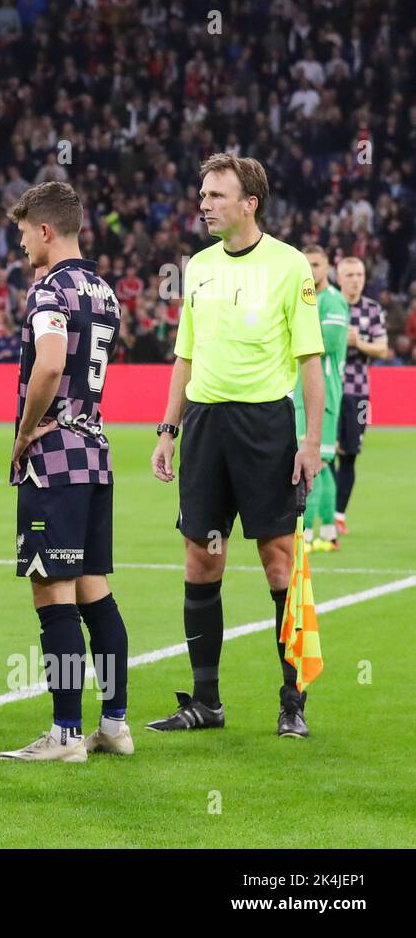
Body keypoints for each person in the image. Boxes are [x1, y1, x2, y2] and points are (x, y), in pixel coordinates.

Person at [148, 154, 324, 739]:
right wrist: (168, 429)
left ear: (250, 203)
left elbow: (310, 363)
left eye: (217, 195)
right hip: (204, 425)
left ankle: (292, 701)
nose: (204, 204)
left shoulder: (289, 265)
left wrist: (311, 441)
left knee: (279, 561)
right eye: (202, 194)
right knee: (202, 558)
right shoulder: (195, 267)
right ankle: (205, 701)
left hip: (265, 428)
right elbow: (185, 355)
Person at [0, 182, 132, 762]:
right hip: (95, 452)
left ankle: (66, 733)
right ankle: (116, 725)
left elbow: (50, 364)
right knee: (95, 591)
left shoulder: (49, 290)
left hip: (54, 461)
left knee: (52, 593)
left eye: (25, 231)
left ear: (45, 231)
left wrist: (26, 431)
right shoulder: (104, 291)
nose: (22, 242)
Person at [292, 246, 349, 552]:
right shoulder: (307, 300)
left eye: (316, 264)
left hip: (322, 396)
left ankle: (308, 537)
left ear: (327, 267)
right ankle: (327, 533)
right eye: (307, 264)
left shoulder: (334, 302)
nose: (311, 270)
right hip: (301, 394)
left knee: (314, 464)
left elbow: (323, 343)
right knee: (322, 465)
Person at [334, 257, 388, 534]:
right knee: (325, 453)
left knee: (351, 454)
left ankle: (339, 514)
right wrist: (338, 340)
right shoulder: (330, 305)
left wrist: (359, 342)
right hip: (330, 389)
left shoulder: (372, 309)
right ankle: (325, 511)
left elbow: (382, 349)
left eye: (360, 274)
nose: (356, 279)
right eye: (350, 275)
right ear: (339, 278)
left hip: (359, 392)